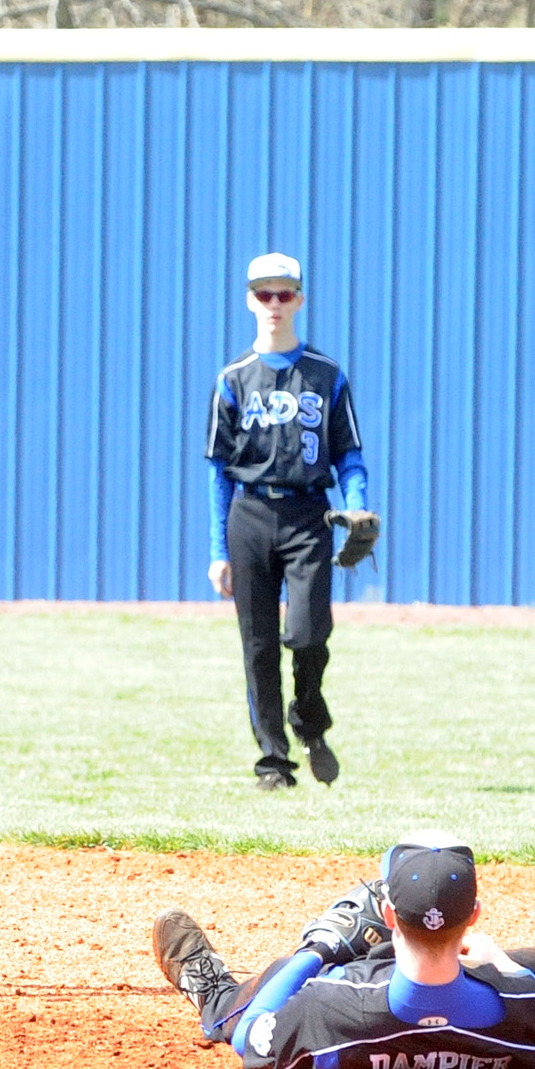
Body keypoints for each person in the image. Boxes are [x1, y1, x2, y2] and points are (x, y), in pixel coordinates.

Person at [151, 831, 535, 1069]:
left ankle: (216, 998)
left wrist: (318, 948)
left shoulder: (328, 1003)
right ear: (474, 918)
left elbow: (254, 1041)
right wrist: (505, 968)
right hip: (490, 1002)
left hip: (375, 1002)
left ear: (387, 918)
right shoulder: (532, 1011)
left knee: (266, 992)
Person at [204, 254, 377, 791]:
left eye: (284, 294)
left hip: (308, 514)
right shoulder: (233, 379)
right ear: (250, 301)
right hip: (250, 514)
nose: (274, 304)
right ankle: (274, 763)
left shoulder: (326, 375)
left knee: (307, 634)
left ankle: (308, 718)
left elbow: (349, 455)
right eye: (264, 294)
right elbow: (218, 471)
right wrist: (219, 551)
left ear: (300, 299)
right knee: (258, 645)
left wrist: (357, 505)